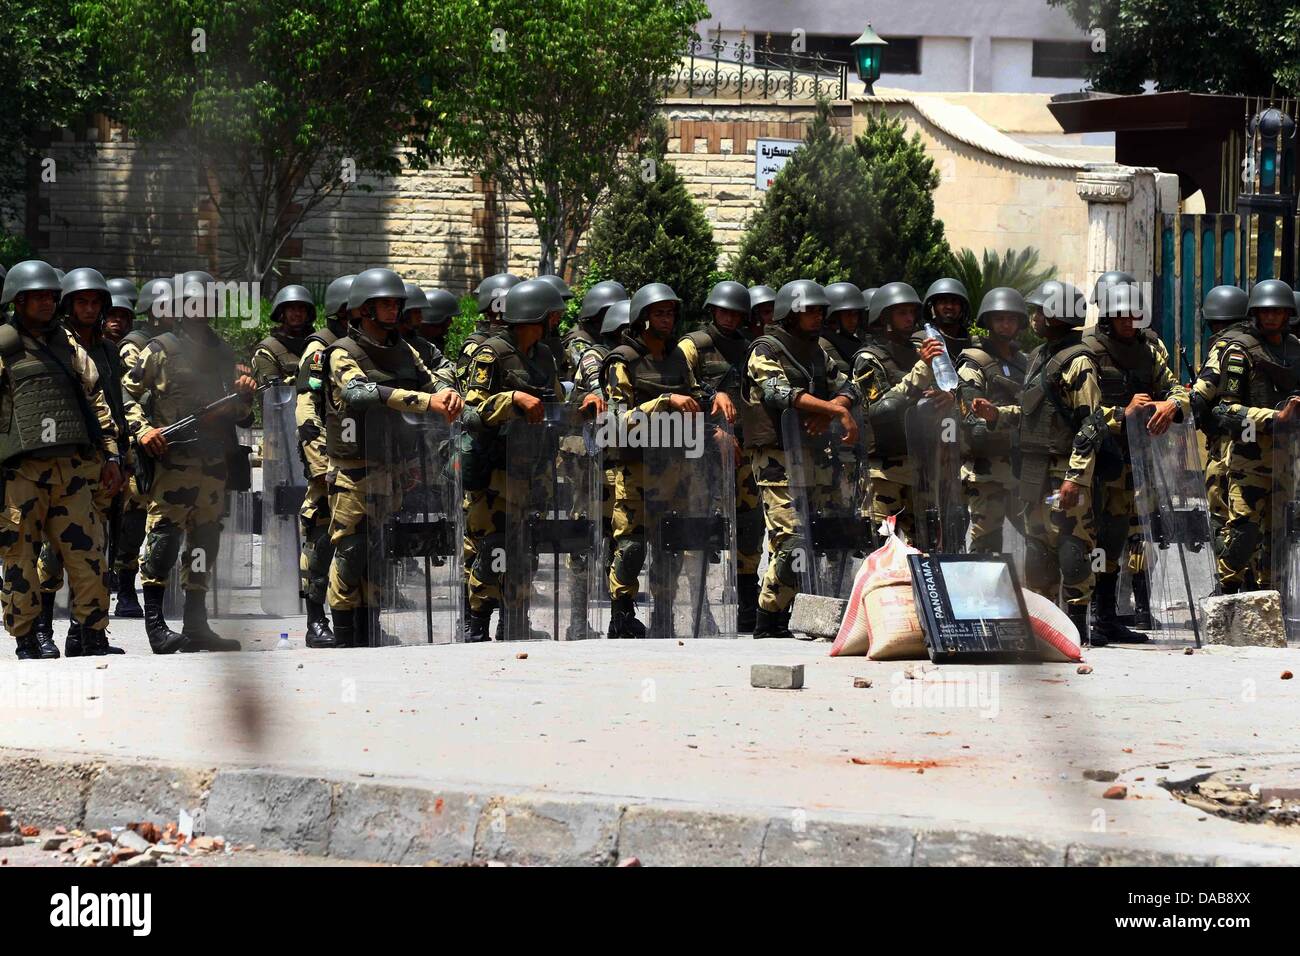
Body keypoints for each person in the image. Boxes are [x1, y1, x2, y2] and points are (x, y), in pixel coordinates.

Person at [322, 268, 462, 647]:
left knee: (380, 554)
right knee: (351, 553)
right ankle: (345, 637)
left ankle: (369, 635)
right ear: (364, 308)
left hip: (393, 468)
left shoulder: (403, 347)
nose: (392, 309)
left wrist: (446, 392)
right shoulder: (341, 352)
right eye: (384, 303)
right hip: (354, 470)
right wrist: (424, 401)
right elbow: (358, 392)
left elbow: (430, 375)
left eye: (395, 303)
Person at [461, 277, 604, 640]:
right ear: (533, 316)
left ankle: (515, 622)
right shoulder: (491, 353)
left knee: (525, 550)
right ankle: (476, 624)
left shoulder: (544, 356)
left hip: (533, 470)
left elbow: (554, 408)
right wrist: (511, 400)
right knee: (492, 548)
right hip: (495, 469)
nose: (556, 321)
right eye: (550, 315)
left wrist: (582, 411)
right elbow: (470, 411)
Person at [122, 271, 253, 653]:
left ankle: (196, 624)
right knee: (162, 538)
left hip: (213, 463)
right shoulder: (160, 348)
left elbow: (242, 415)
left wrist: (244, 396)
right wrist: (143, 430)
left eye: (206, 304)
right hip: (172, 462)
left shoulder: (224, 352)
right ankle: (155, 625)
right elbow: (124, 395)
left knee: (204, 542)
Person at [0, 261, 124, 659]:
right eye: (38, 296)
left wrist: (111, 455)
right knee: (20, 559)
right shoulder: (3, 344)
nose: (48, 303)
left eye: (52, 296)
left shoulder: (67, 344)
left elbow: (96, 400)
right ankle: (26, 640)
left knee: (88, 555)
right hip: (21, 473)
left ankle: (91, 637)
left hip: (72, 470)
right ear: (18, 301)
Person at [969, 281, 1102, 641]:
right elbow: (1031, 415)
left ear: (1057, 316)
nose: (1033, 318)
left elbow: (1091, 425)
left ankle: (1077, 628)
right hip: (1034, 473)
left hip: (1063, 475)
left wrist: (1076, 477)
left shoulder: (1079, 361)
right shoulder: (1040, 356)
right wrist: (996, 415)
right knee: (1038, 549)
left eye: (1039, 310)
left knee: (1072, 546)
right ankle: (1047, 627)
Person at [741, 279, 860, 639]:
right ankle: (767, 613)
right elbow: (778, 392)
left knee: (814, 540)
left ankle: (782, 613)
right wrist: (834, 411)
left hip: (814, 456)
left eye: (821, 310)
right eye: (810, 310)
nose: (818, 316)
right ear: (790, 313)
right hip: (776, 459)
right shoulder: (765, 348)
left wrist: (833, 410)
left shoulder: (817, 352)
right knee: (792, 541)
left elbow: (849, 385)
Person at [601, 283, 718, 638]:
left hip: (675, 466)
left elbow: (695, 395)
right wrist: (664, 402)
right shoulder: (623, 360)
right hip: (636, 468)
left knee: (672, 544)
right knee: (632, 546)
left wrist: (717, 400)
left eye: (670, 312)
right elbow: (616, 421)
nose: (667, 319)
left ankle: (665, 614)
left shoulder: (678, 357)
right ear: (642, 318)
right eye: (659, 313)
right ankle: (621, 616)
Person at [33, 268, 133, 655]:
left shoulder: (109, 350)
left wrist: (120, 457)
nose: (90, 309)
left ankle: (86, 632)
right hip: (65, 460)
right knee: (54, 548)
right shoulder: (56, 343)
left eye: (96, 302)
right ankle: (42, 629)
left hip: (103, 460)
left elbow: (117, 409)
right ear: (68, 305)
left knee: (93, 551)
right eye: (82, 302)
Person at [1081, 282, 1188, 643]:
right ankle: (1089, 614)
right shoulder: (1089, 351)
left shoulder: (1147, 352)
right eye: (1121, 315)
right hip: (1099, 461)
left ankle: (1110, 617)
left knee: (1126, 539)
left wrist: (1169, 405)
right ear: (1108, 316)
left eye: (1133, 314)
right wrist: (1121, 414)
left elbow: (1175, 388)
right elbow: (1082, 412)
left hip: (1138, 462)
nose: (1129, 321)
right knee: (1097, 540)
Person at [1189, 279, 1300, 593]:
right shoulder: (1239, 350)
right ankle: (1224, 593)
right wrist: (1274, 417)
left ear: (1288, 313)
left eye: (1277, 311)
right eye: (1265, 312)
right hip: (1248, 459)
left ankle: (1268, 597)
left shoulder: (1295, 350)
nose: (1271, 317)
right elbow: (1225, 410)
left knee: (1279, 537)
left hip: (1286, 459)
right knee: (1242, 533)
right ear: (1254, 313)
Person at [680, 281, 764, 631]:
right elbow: (677, 391)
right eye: (724, 310)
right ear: (712, 310)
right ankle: (699, 611)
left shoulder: (748, 349)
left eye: (736, 312)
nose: (729, 317)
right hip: (698, 450)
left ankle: (747, 607)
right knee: (696, 529)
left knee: (749, 527)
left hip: (740, 453)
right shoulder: (692, 346)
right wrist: (711, 429)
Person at [852, 282, 927, 542]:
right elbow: (883, 409)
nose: (909, 319)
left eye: (911, 313)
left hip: (920, 466)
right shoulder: (868, 359)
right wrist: (923, 369)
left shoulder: (920, 352)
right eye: (901, 313)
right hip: (884, 472)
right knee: (882, 549)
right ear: (885, 317)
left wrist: (944, 397)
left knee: (927, 551)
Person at [957, 288, 1030, 553]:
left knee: (1040, 538)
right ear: (987, 321)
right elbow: (971, 418)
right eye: (998, 319)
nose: (1005, 324)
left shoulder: (1026, 362)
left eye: (1011, 319)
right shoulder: (973, 363)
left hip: (1023, 468)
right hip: (986, 473)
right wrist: (994, 417)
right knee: (986, 546)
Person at [1193, 286, 1250, 554]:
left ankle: (1226, 586)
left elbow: (1204, 390)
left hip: (1226, 447)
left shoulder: (1224, 345)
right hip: (1257, 444)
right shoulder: (1254, 344)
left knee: (1221, 516)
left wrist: (1180, 403)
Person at [251, 285, 314, 387]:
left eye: (302, 308)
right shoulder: (267, 350)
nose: (297, 313)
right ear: (282, 313)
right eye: (292, 309)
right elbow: (272, 392)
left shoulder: (316, 344)